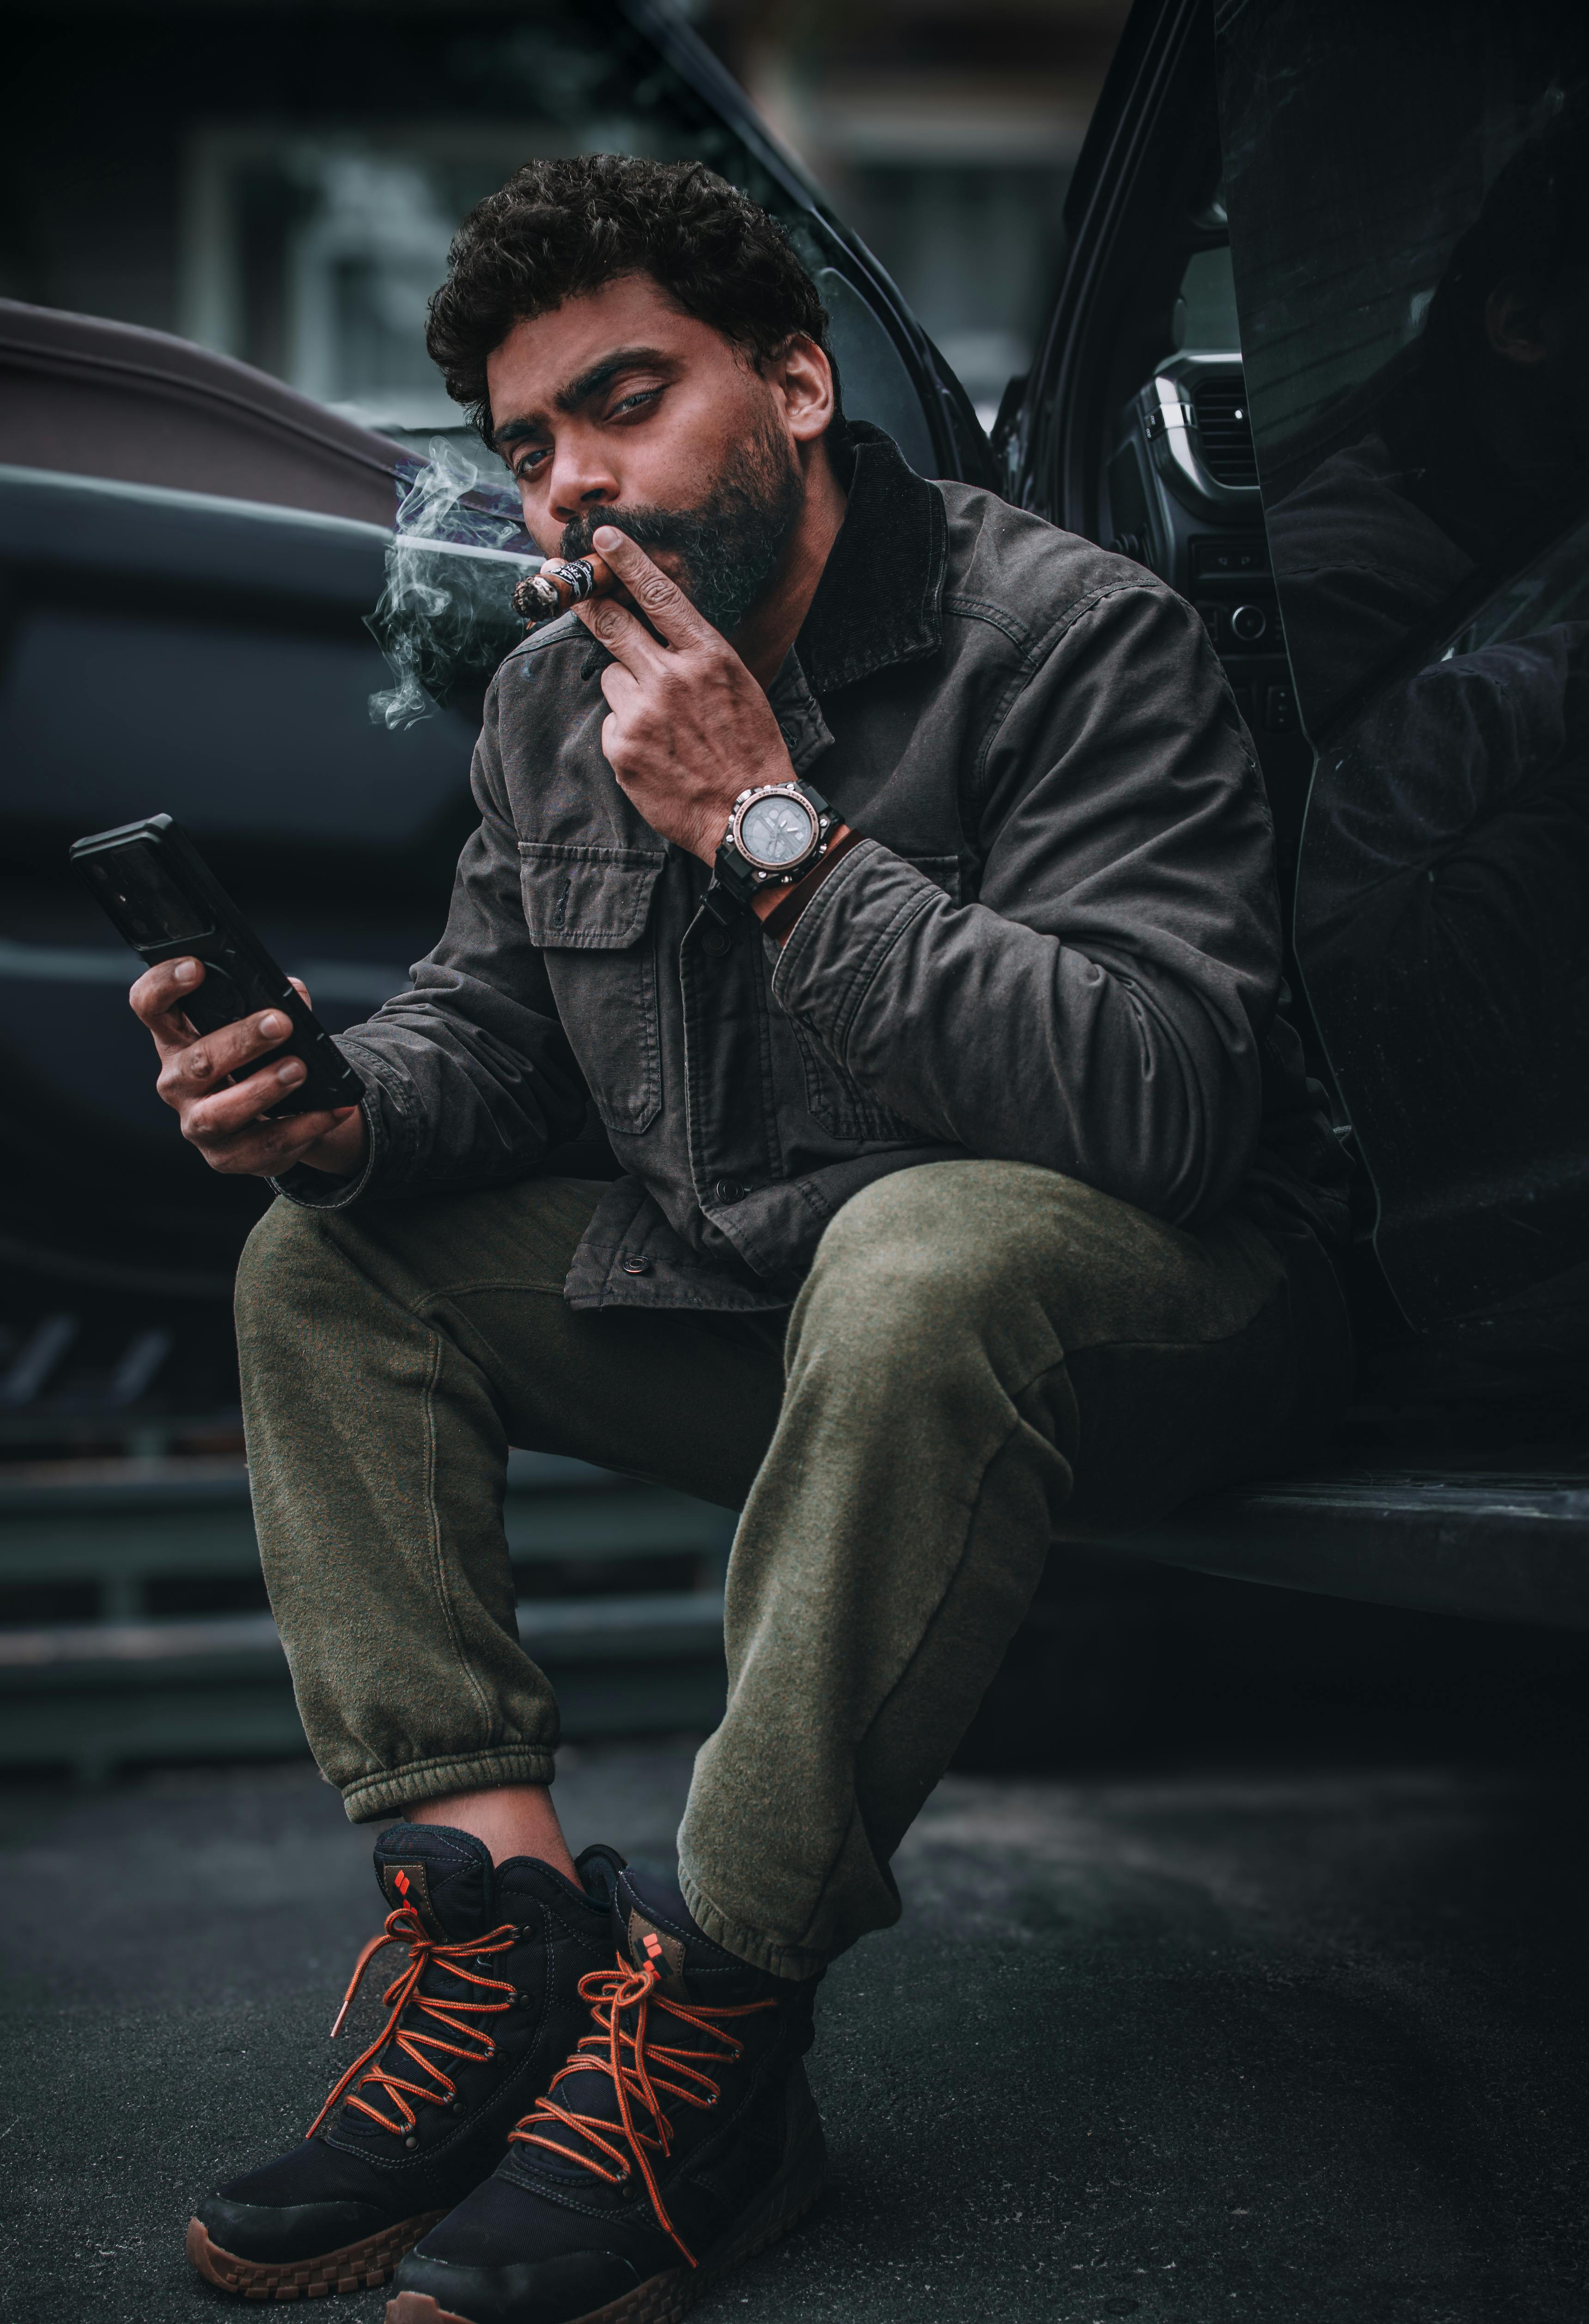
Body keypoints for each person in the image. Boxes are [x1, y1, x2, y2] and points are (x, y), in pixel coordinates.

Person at [133, 156, 1352, 2324]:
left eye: (626, 399)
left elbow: (1166, 1102)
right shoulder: (545, 707)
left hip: (1151, 1329)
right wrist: (340, 1101)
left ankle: (710, 2032)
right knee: (325, 1254)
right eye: (526, 445)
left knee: (925, 1251)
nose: (571, 482)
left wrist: (772, 828)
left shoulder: (1068, 636)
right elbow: (491, 1046)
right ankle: (505, 1961)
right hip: (778, 1306)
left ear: (793, 384)